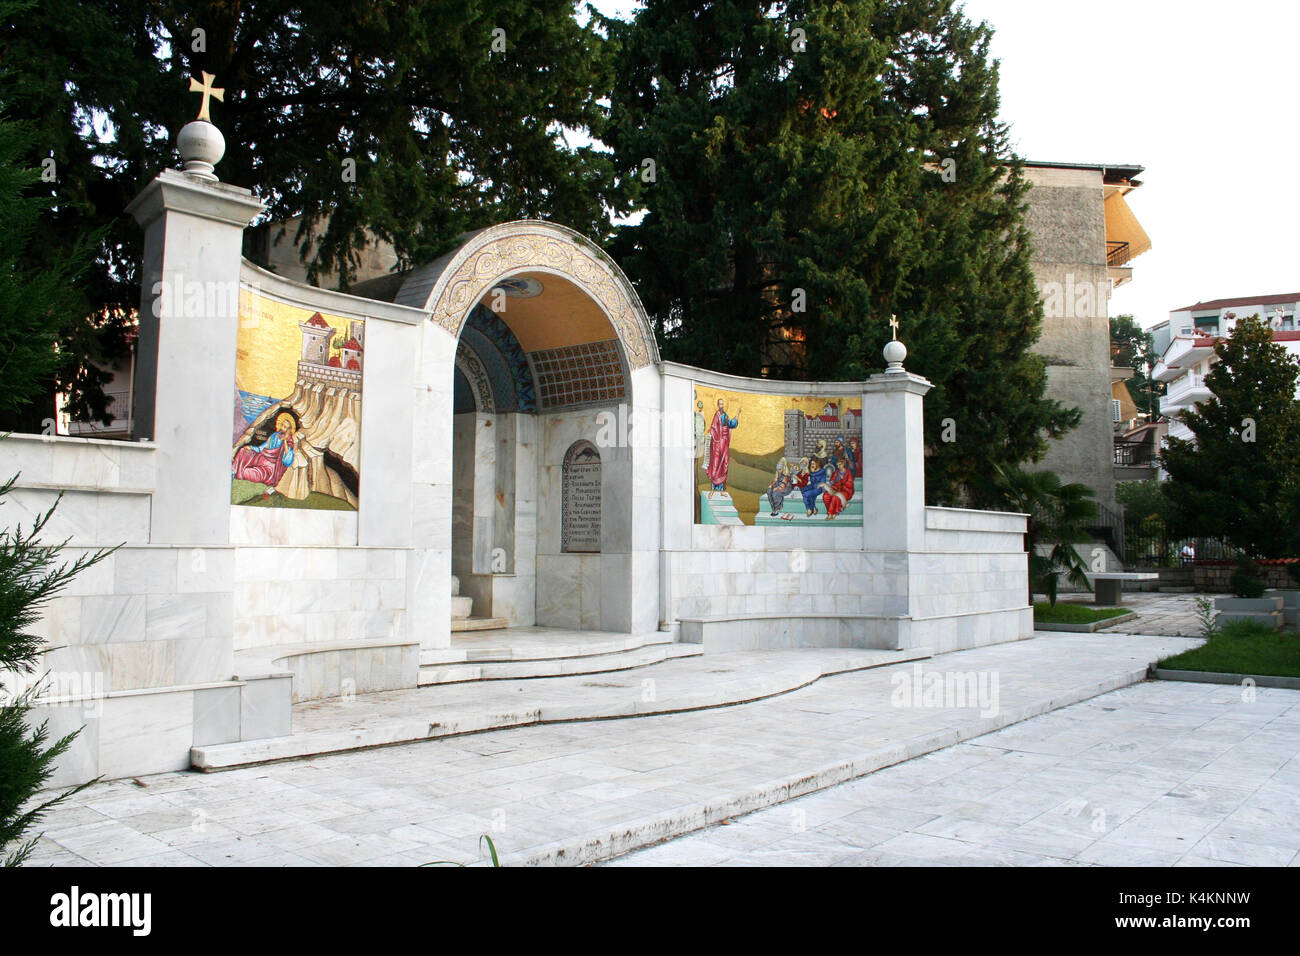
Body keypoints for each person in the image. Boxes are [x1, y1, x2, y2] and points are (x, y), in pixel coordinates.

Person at [233, 413, 296, 497]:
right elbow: (262, 448)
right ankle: (233, 470)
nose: (282, 428)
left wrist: (284, 441)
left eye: (285, 427)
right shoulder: (274, 435)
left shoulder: (289, 442)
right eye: (282, 425)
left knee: (246, 472)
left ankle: (240, 471)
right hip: (262, 458)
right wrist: (251, 447)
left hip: (270, 468)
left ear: (289, 430)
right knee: (243, 451)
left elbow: (287, 461)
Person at [705, 397, 741, 497]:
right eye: (720, 404)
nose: (721, 406)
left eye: (722, 404)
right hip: (717, 444)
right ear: (717, 405)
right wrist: (712, 433)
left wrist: (737, 415)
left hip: (724, 443)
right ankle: (712, 489)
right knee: (716, 465)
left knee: (724, 464)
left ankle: (721, 490)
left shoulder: (725, 415)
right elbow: (713, 427)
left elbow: (730, 424)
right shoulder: (716, 416)